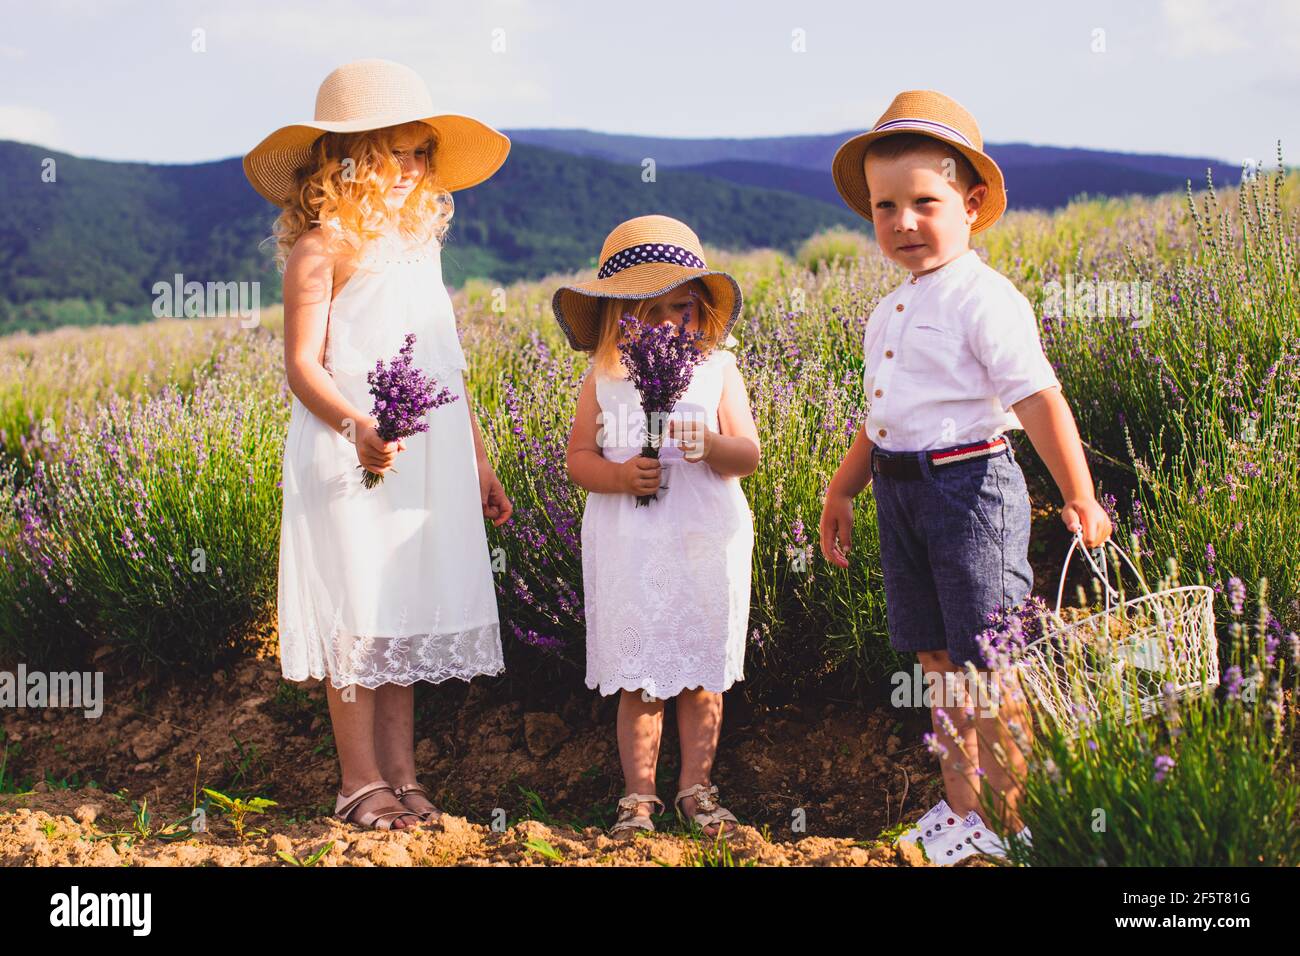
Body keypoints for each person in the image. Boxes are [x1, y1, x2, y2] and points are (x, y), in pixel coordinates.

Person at [819, 90, 1113, 862]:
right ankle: (963, 810)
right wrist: (843, 488)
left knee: (991, 661)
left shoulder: (986, 300)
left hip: (972, 490)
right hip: (900, 490)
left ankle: (1014, 825)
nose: (903, 222)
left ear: (972, 203)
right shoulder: (889, 310)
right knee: (936, 664)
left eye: (924, 201)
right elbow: (881, 417)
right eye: (886, 207)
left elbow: (1039, 400)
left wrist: (1078, 494)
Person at [244, 58, 512, 831]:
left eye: (419, 152)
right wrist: (356, 427)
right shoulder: (320, 249)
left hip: (426, 450)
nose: (408, 168)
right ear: (341, 161)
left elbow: (445, 364)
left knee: (400, 610)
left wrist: (478, 460)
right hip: (345, 446)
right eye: (389, 151)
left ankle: (403, 775)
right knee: (357, 612)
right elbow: (301, 365)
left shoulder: (423, 249)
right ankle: (358, 783)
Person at [555, 215, 760, 839]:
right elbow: (577, 459)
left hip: (704, 535)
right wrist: (621, 478)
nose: (677, 323)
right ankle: (637, 798)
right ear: (625, 317)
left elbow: (748, 456)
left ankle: (696, 789)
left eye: (688, 310)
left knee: (700, 673)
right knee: (639, 674)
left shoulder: (719, 368)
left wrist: (710, 445)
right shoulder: (605, 376)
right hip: (630, 542)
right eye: (660, 311)